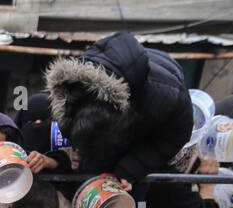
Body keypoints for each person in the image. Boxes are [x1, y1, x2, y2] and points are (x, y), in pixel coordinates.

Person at [45, 30, 192, 186]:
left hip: (149, 122)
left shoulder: (170, 98)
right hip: (115, 114)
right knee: (88, 180)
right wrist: (77, 150)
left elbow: (172, 139)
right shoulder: (69, 97)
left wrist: (132, 169)